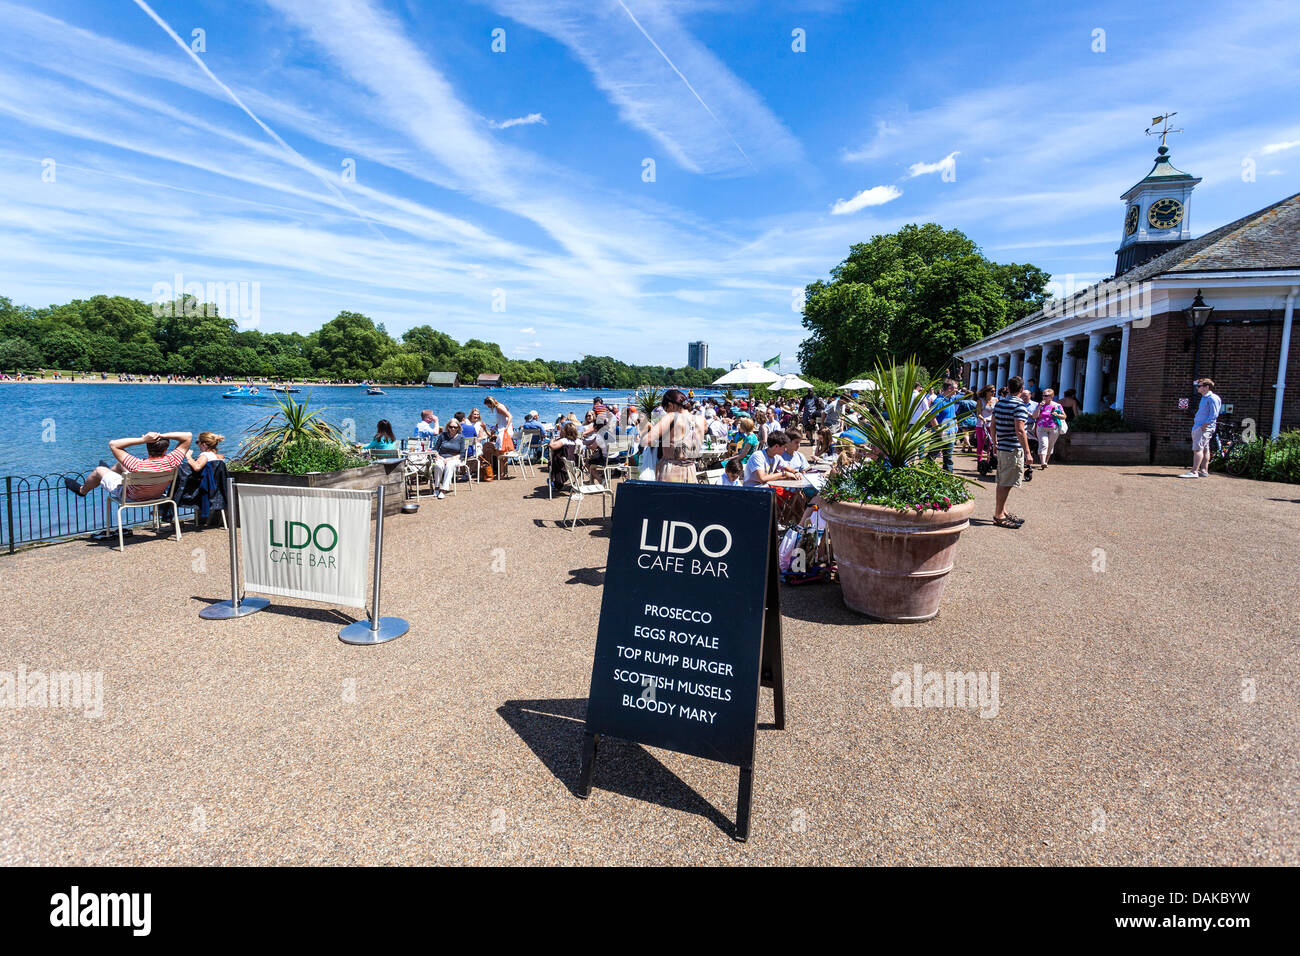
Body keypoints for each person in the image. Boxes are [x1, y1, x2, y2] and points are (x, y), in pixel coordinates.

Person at [65, 430, 192, 501]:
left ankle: (82, 490)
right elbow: (188, 436)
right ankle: (110, 471)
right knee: (120, 465)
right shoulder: (173, 460)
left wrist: (143, 439)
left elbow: (113, 444)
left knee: (99, 470)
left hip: (131, 497)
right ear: (166, 449)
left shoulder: (137, 465)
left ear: (147, 448)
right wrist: (162, 435)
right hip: (157, 494)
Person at [990, 376, 1032, 528]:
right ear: (1021, 389)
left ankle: (1002, 510)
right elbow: (1020, 430)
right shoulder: (1019, 406)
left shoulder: (1000, 403)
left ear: (1008, 388)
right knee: (1006, 483)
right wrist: (1028, 452)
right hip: (1012, 448)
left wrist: (995, 442)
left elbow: (992, 425)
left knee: (1003, 481)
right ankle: (998, 515)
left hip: (1002, 447)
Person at [642, 388, 706, 483]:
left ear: (670, 405)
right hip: (691, 470)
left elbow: (647, 440)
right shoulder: (701, 420)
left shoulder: (671, 417)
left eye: (666, 409)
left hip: (671, 471)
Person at [1181, 378, 1222, 479]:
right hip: (1201, 426)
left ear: (1206, 387)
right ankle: (1204, 470)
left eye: (1199, 386)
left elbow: (1214, 414)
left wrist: (1206, 424)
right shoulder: (1205, 398)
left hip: (1203, 427)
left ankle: (1194, 471)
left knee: (1197, 449)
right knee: (1204, 449)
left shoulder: (1212, 398)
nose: (1197, 388)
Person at [928, 379, 960, 473]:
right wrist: (939, 431)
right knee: (932, 456)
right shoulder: (939, 401)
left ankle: (948, 480)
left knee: (948, 459)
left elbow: (953, 414)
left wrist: (956, 425)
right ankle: (926, 476)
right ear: (950, 388)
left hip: (951, 433)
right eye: (956, 388)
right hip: (939, 434)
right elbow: (932, 417)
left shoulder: (951, 400)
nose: (957, 390)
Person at [430, 421, 465, 499]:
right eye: (451, 427)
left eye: (455, 427)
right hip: (442, 457)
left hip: (455, 458)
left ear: (458, 428)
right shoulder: (442, 435)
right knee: (438, 465)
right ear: (448, 427)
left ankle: (444, 489)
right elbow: (435, 449)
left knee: (450, 465)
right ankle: (436, 487)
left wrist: (450, 458)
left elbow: (462, 454)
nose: (453, 429)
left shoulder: (461, 437)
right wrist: (438, 456)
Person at [483, 396, 515, 478]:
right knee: (502, 453)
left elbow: (510, 416)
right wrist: (495, 428)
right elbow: (502, 420)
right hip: (504, 430)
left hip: (503, 432)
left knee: (500, 453)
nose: (488, 407)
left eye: (488, 405)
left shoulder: (498, 407)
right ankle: (502, 472)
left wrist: (506, 428)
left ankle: (501, 474)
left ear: (491, 403)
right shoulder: (499, 406)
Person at [1033, 388, 1066, 469]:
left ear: (1051, 396)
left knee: (1050, 445)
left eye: (1046, 396)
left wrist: (1057, 415)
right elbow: (1035, 416)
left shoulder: (1057, 405)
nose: (1044, 397)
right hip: (1041, 427)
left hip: (1054, 428)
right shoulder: (1040, 405)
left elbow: (1064, 416)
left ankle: (1046, 462)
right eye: (1043, 395)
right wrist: (1039, 407)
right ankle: (1042, 462)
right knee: (1043, 444)